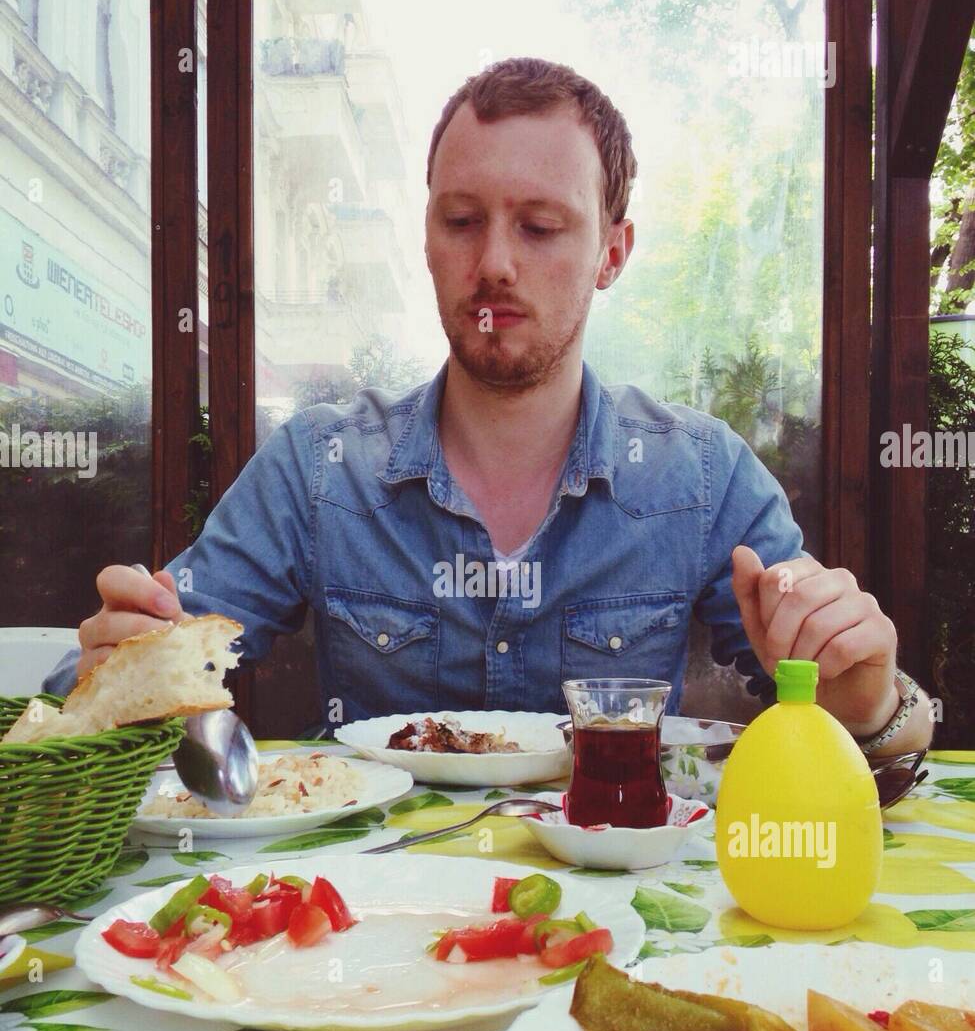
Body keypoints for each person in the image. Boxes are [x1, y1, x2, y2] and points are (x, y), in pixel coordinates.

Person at [45, 58, 932, 755]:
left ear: (611, 253)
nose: (496, 264)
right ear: (426, 237)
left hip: (617, 928)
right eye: (462, 220)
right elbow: (100, 703)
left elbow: (868, 743)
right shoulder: (319, 468)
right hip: (356, 941)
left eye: (540, 227)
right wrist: (110, 676)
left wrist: (868, 702)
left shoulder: (698, 475)